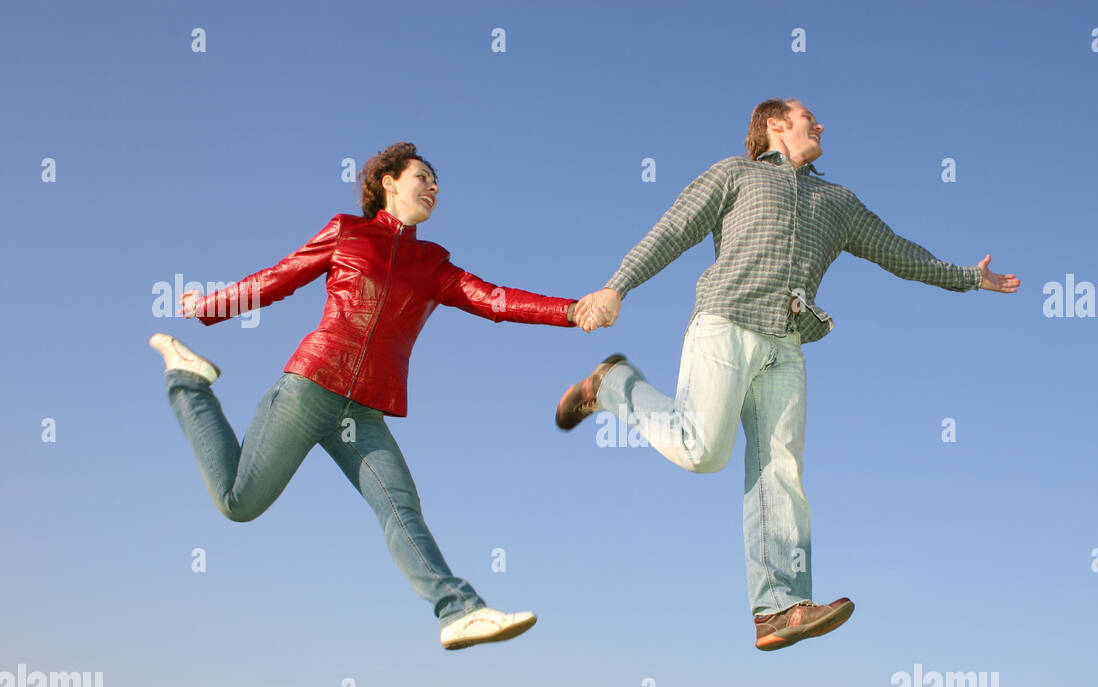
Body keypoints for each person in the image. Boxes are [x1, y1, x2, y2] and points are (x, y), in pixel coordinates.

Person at [556, 99, 1020, 652]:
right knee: (703, 451)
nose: (820, 124)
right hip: (725, 322)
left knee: (782, 473)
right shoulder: (736, 174)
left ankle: (779, 607)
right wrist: (617, 286)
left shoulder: (837, 201)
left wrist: (969, 278)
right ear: (774, 124)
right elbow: (674, 229)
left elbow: (899, 253)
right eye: (808, 117)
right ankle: (612, 385)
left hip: (788, 343)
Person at [151, 142, 584, 650]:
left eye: (436, 183)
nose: (433, 188)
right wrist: (209, 307)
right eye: (423, 176)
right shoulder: (347, 232)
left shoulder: (433, 264)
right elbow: (277, 280)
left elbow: (497, 300)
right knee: (238, 503)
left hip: (363, 412)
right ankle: (188, 381)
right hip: (309, 386)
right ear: (389, 182)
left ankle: (460, 611)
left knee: (400, 506)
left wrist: (573, 311)